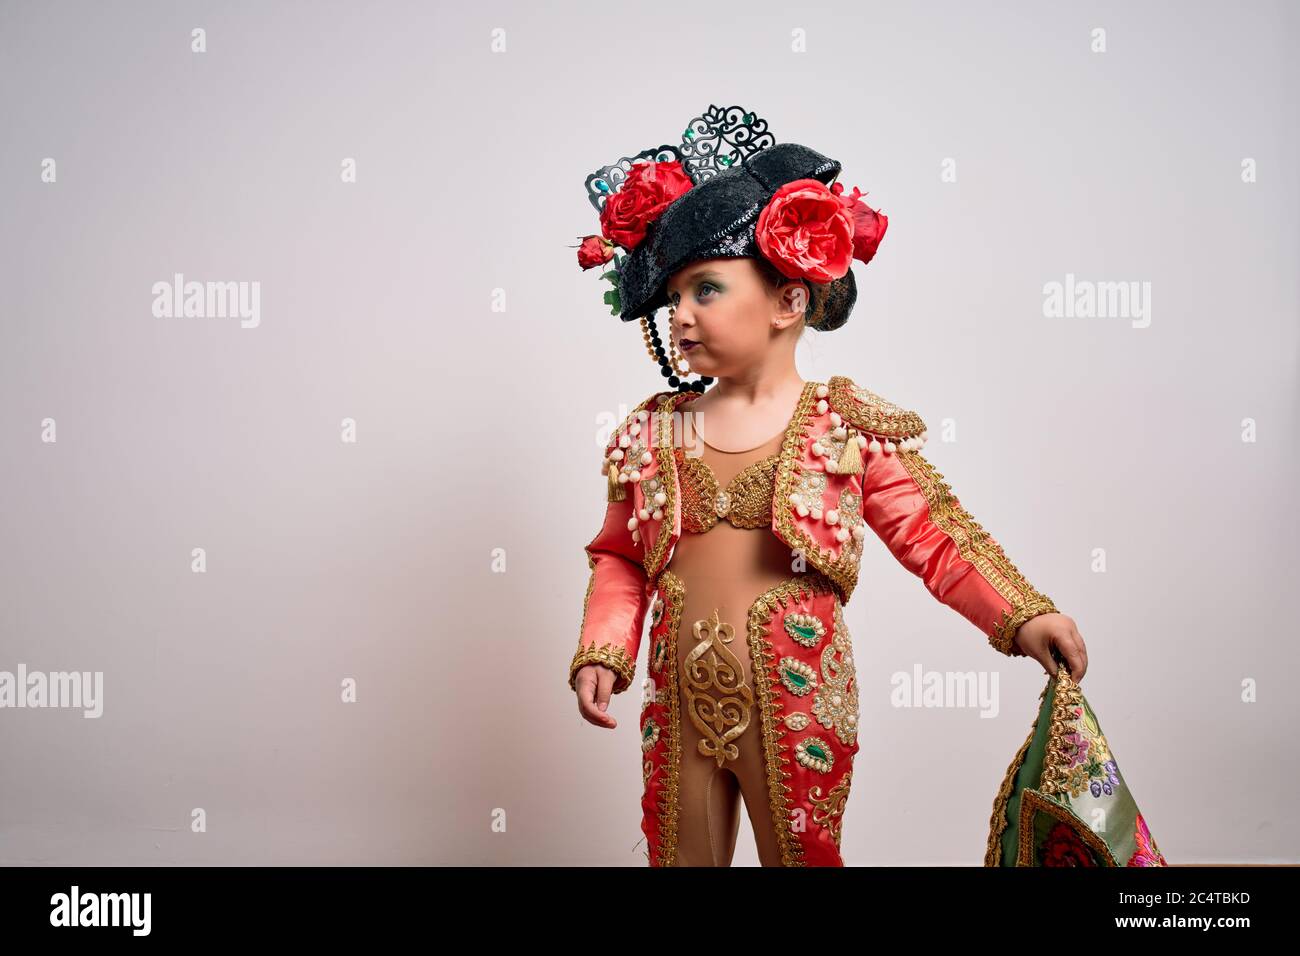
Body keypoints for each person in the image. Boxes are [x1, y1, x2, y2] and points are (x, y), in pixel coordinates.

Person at [566, 106, 1087, 867]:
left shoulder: (843, 424)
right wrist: (601, 651)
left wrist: (1021, 615)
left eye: (705, 290)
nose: (680, 315)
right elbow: (619, 556)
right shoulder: (659, 429)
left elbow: (935, 538)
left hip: (799, 700)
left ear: (788, 302)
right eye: (673, 298)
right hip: (675, 707)